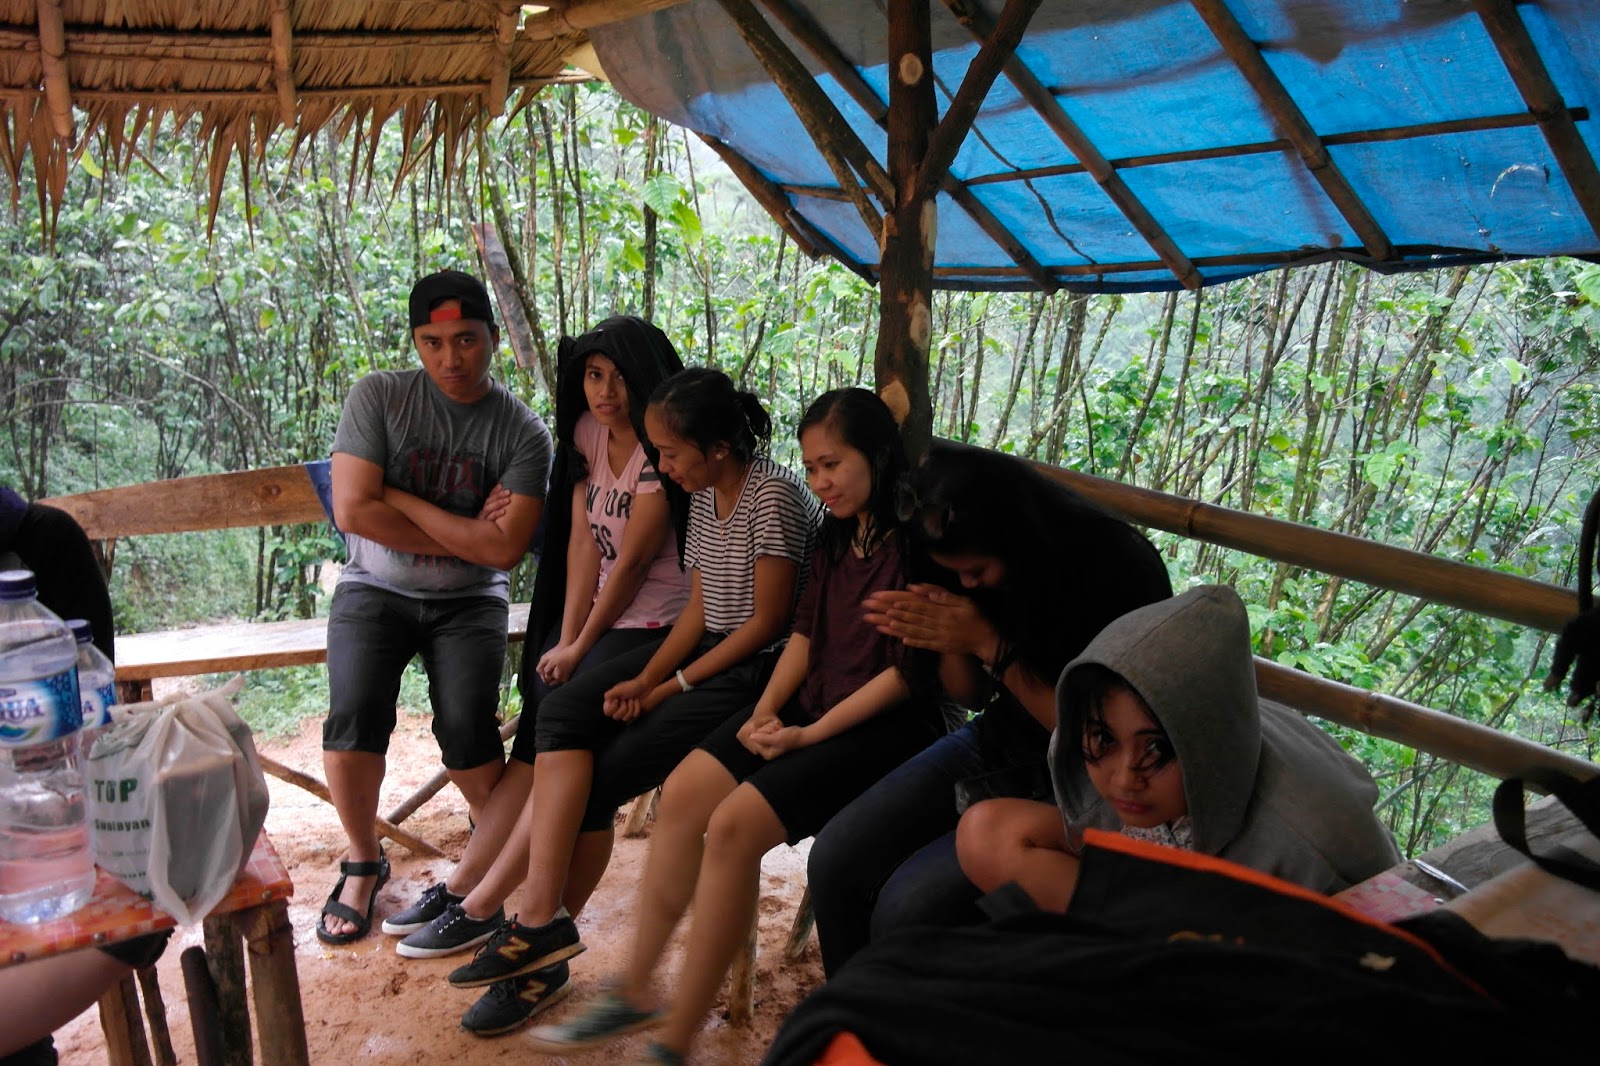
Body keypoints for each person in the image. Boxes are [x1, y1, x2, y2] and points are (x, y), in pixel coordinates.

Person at [526, 388, 946, 1064]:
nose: (820, 482)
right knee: (687, 792)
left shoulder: (911, 541)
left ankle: (674, 1037)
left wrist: (806, 732)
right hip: (809, 696)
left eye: (832, 464)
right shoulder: (839, 534)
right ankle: (637, 987)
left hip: (886, 720)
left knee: (730, 827)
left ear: (877, 453)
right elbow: (806, 637)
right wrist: (765, 713)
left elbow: (903, 676)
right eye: (811, 467)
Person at [435, 367, 820, 1033]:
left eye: (670, 453)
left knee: (606, 775)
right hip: (707, 653)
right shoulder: (703, 496)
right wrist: (646, 680)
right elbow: (698, 612)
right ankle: (539, 922)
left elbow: (765, 625)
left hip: (760, 671)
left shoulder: (774, 497)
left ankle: (541, 940)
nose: (662, 467)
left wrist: (670, 685)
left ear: (718, 448)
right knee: (559, 713)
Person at [383, 317, 691, 996]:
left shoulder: (660, 448)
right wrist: (567, 635)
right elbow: (583, 545)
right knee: (547, 712)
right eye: (592, 375)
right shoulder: (585, 435)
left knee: (565, 729)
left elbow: (637, 560)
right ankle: (476, 896)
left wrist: (582, 643)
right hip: (605, 621)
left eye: (617, 375)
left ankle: (513, 914)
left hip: (654, 625)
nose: (605, 391)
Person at [805, 441, 1173, 976]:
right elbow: (973, 697)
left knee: (907, 907)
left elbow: (1103, 743)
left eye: (977, 570)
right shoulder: (952, 555)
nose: (971, 583)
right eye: (958, 575)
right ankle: (853, 1022)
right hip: (1001, 740)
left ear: (1015, 537)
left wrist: (989, 644)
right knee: (834, 859)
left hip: (1087, 775)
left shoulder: (1114, 569)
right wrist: (947, 631)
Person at [317, 269, 552, 945]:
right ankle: (363, 862)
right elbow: (353, 508)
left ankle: (492, 858)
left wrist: (403, 498)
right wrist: (467, 532)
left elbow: (503, 553)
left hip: (471, 601)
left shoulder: (521, 431)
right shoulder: (380, 397)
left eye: (467, 340)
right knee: (355, 712)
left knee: (468, 726)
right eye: (434, 341)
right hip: (374, 588)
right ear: (417, 342)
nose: (452, 358)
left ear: (492, 338)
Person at [956, 584, 1401, 910]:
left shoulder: (1312, 846)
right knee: (985, 831)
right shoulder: (1145, 723)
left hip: (1271, 943)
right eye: (1104, 740)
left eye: (1155, 751)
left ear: (1203, 746)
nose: (1125, 778)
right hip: (1172, 888)